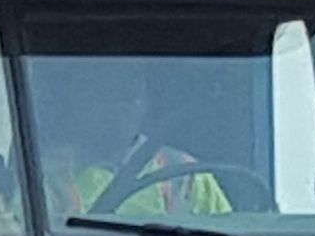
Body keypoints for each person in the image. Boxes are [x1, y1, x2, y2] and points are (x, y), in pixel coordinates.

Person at [40, 58, 228, 221]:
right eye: (106, 94)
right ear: (79, 102)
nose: (119, 107)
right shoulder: (49, 176)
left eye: (129, 94)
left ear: (144, 101)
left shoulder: (183, 171)